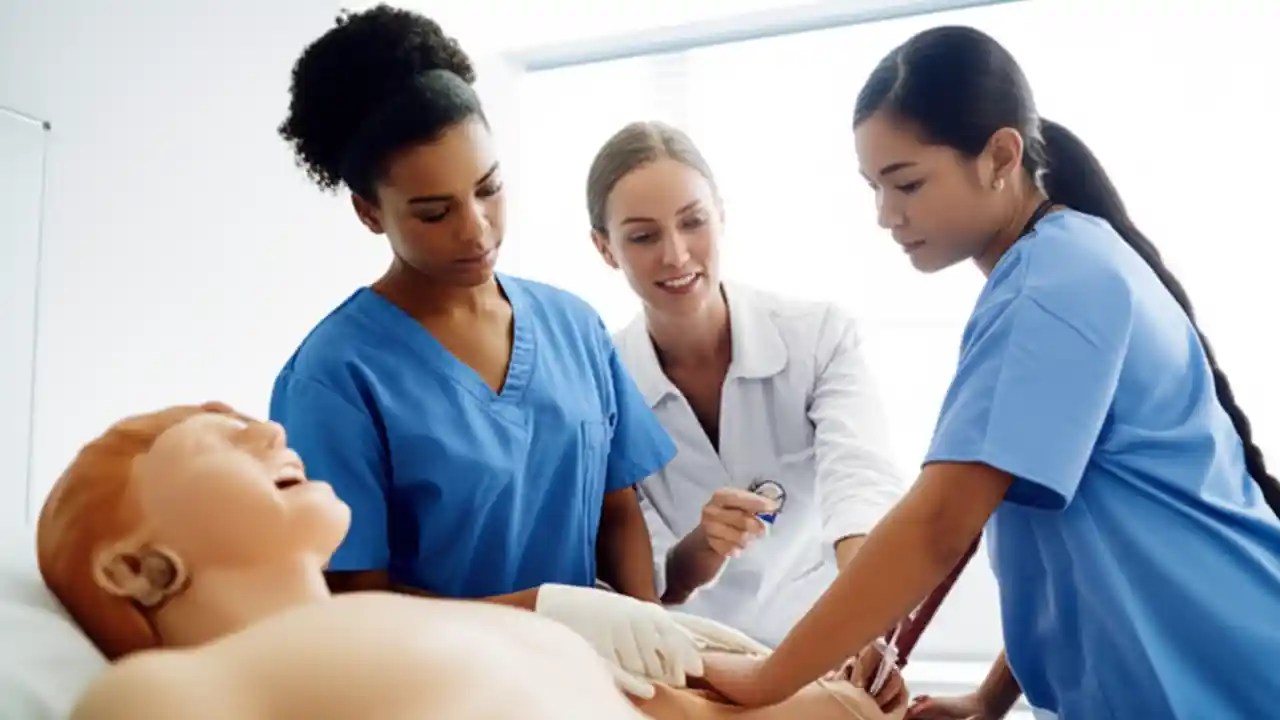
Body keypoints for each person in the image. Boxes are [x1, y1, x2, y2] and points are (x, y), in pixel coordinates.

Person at [699, 25, 1280, 720]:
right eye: (874, 188)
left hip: (1228, 678)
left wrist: (768, 680)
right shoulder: (1066, 264)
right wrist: (990, 698)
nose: (886, 215)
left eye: (907, 184)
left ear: (1000, 156)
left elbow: (940, 523)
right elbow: (1069, 541)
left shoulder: (1054, 284)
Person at [267, 5, 697, 694]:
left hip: (592, 685)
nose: (476, 230)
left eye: (489, 189)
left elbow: (616, 512)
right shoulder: (335, 377)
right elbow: (354, 605)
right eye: (435, 212)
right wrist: (540, 616)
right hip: (439, 693)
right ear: (370, 212)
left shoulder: (573, 327)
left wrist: (648, 639)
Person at [37, 403, 904, 720]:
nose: (268, 430)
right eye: (218, 440)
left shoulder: (448, 628)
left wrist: (834, 695)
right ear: (135, 568)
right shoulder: (161, 694)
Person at [586, 120, 906, 649]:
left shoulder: (818, 337)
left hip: (831, 640)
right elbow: (645, 576)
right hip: (695, 659)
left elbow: (862, 487)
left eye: (693, 222)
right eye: (643, 236)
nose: (676, 254)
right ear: (605, 248)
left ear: (721, 216)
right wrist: (704, 544)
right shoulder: (602, 386)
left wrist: (870, 628)